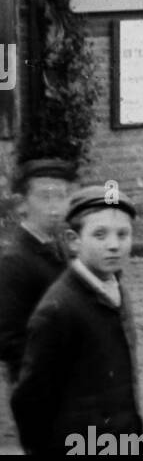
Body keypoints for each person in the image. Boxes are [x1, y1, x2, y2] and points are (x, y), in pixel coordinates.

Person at [11, 184, 143, 456]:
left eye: (123, 234)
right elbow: (29, 401)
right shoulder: (59, 309)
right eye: (99, 234)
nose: (113, 245)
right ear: (74, 240)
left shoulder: (117, 292)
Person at [0, 157, 73, 385]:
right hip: (36, 385)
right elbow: (7, 338)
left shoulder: (61, 247)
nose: (55, 207)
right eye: (45, 197)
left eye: (61, 196)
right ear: (22, 204)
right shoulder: (15, 261)